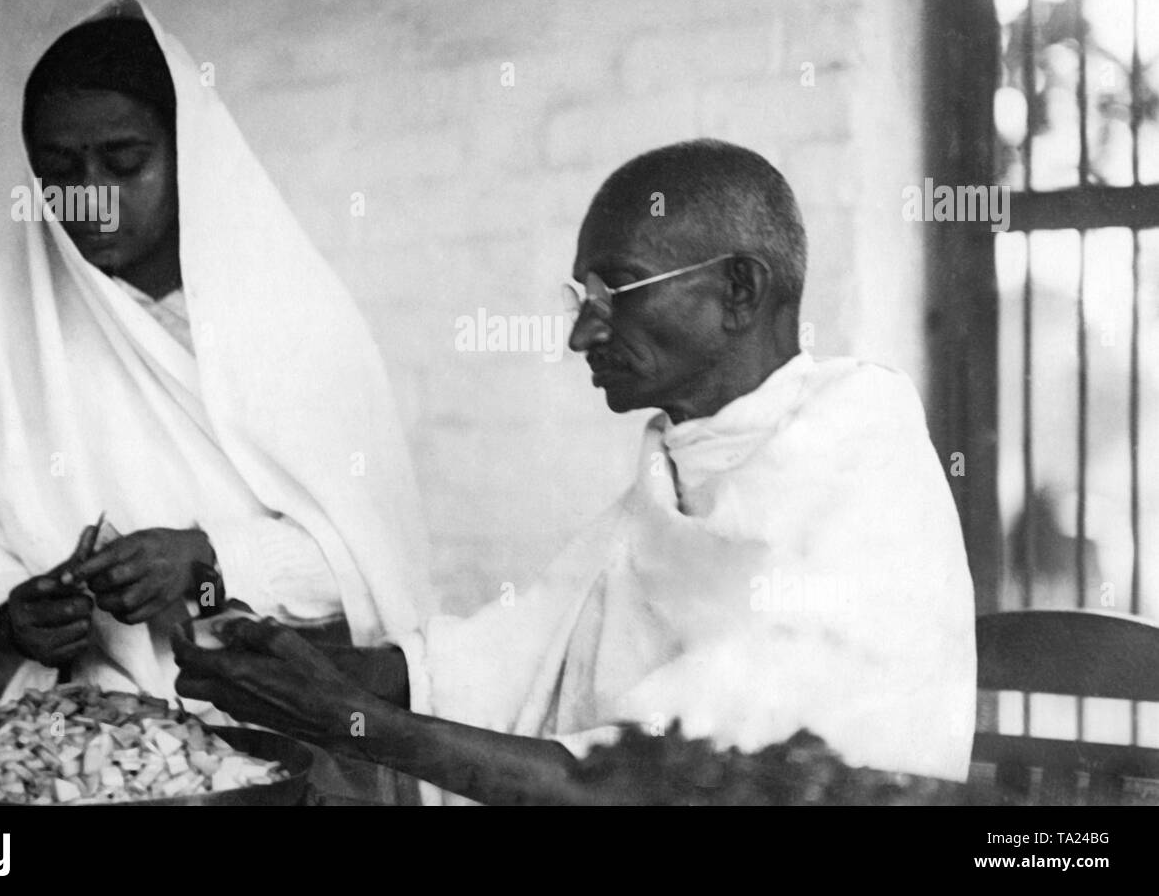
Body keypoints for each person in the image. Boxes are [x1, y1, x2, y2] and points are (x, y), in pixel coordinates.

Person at [172, 139, 978, 805]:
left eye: (616, 290)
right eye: (578, 297)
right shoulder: (677, 461)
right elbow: (517, 649)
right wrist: (317, 668)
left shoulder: (857, 458)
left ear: (739, 290)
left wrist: (349, 717)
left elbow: (663, 789)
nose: (581, 334)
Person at [0, 0, 432, 744]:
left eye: (124, 162)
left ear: (185, 152)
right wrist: (9, 616)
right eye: (59, 171)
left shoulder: (296, 321)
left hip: (281, 733)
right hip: (77, 748)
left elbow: (375, 563)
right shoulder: (10, 338)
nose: (90, 195)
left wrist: (207, 557)